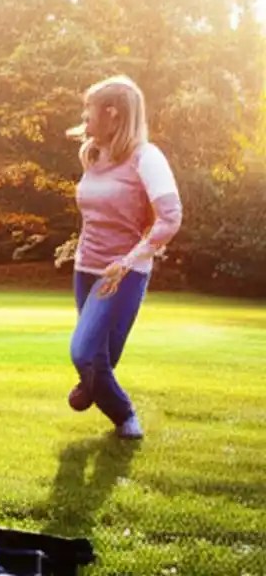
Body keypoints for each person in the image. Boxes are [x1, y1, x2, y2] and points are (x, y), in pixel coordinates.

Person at [65, 76, 181, 440]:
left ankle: (99, 394)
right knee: (94, 356)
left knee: (90, 354)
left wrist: (128, 261)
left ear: (112, 114)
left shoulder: (148, 157)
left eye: (89, 114)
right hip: (86, 267)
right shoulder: (93, 154)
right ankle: (124, 416)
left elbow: (171, 216)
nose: (85, 121)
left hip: (123, 273)